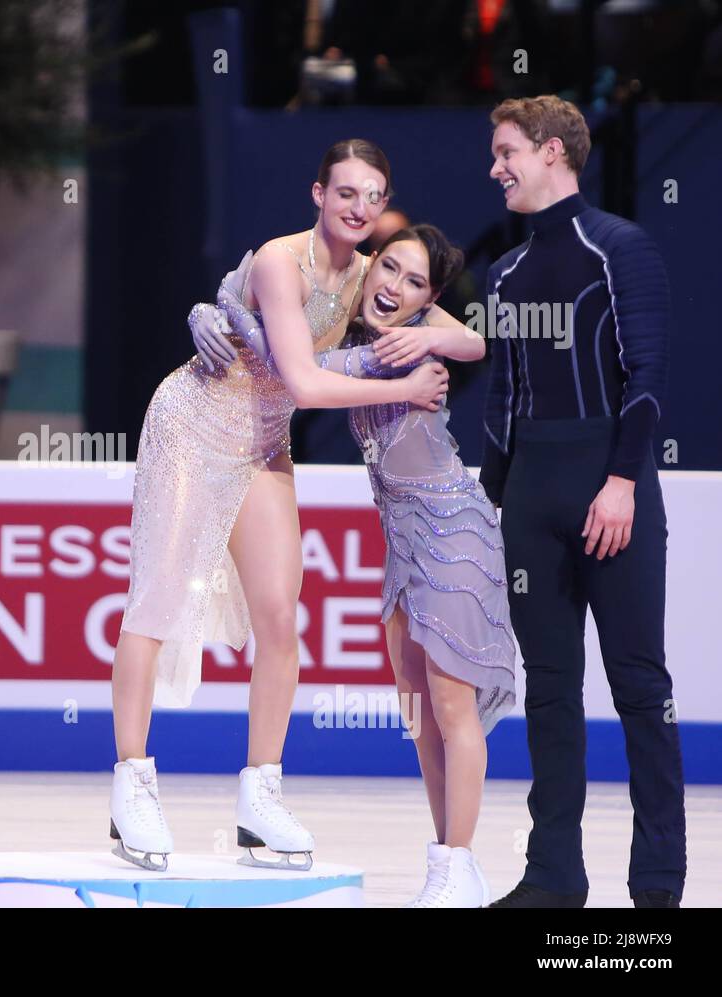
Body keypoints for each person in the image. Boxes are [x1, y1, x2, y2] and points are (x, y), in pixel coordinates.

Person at [109, 140, 453, 873]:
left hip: (262, 444)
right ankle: (132, 781)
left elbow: (466, 335)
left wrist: (430, 335)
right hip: (193, 426)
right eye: (345, 194)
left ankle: (259, 797)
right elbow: (304, 384)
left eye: (373, 195)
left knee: (278, 616)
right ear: (317, 194)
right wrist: (405, 383)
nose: (358, 209)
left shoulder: (373, 274)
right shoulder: (277, 260)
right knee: (158, 603)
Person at [198, 224, 516, 905]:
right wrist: (218, 313)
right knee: (420, 712)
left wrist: (432, 336)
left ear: (428, 298)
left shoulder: (412, 336)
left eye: (414, 284)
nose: (394, 288)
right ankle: (453, 862)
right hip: (401, 545)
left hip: (454, 530)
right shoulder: (346, 341)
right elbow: (288, 361)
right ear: (370, 267)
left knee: (453, 705)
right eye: (389, 269)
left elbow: (476, 340)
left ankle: (455, 862)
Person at [479, 95, 684, 908]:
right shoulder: (504, 273)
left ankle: (658, 885)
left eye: (506, 152)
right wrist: (491, 502)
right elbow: (504, 397)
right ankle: (554, 876)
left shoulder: (621, 249)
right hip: (532, 494)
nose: (495, 168)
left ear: (554, 151)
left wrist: (625, 480)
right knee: (551, 690)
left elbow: (647, 378)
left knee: (639, 685)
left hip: (611, 486)